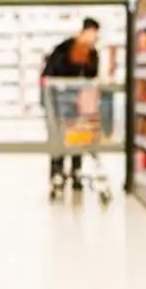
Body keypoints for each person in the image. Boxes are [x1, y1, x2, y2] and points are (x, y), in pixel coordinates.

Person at [41, 17, 100, 189]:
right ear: (83, 32)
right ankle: (57, 173)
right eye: (90, 34)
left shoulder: (92, 53)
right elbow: (51, 72)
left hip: (79, 103)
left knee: (78, 135)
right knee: (58, 137)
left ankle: (76, 172)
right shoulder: (64, 48)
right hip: (58, 101)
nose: (92, 38)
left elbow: (92, 75)